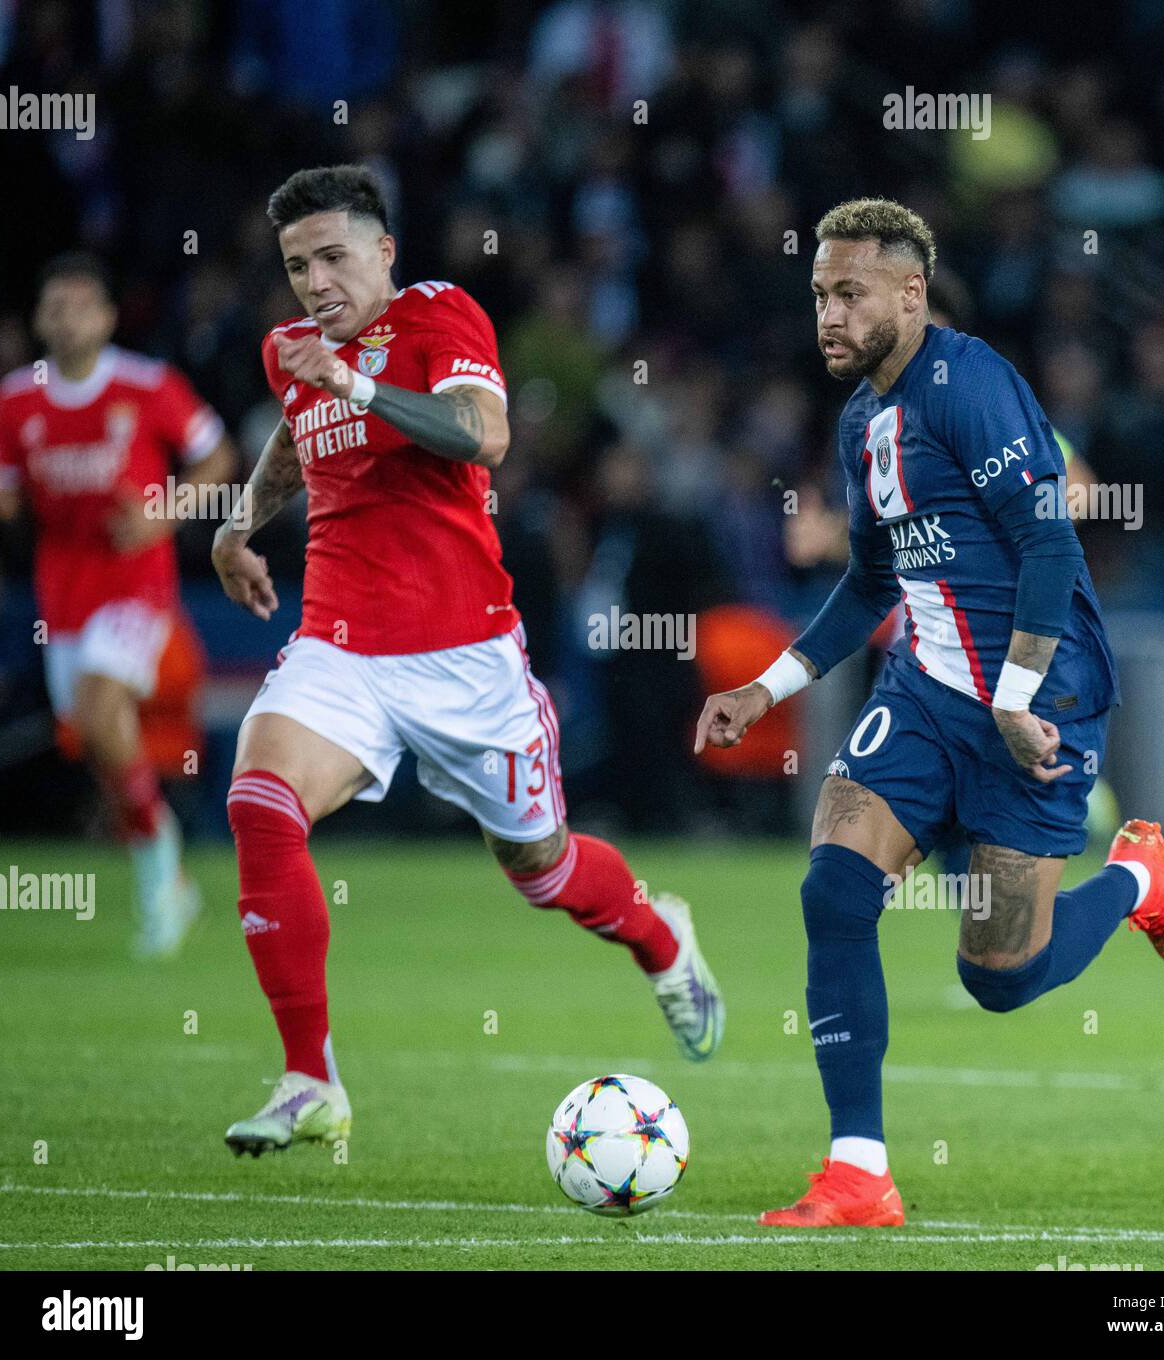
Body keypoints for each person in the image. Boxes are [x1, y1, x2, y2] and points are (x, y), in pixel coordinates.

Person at [694, 198, 1164, 1228]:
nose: (828, 316)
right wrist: (768, 685)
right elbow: (872, 584)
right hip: (923, 696)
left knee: (998, 980)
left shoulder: (970, 385)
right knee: (833, 891)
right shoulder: (857, 421)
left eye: (850, 294)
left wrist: (1014, 698)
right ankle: (858, 1170)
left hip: (1041, 696)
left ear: (910, 293)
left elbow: (1051, 545)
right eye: (819, 296)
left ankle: (1136, 874)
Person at [211, 165, 724, 1157]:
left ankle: (662, 940)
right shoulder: (293, 353)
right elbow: (299, 432)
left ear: (384, 252)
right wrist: (240, 525)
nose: (314, 281)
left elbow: (482, 436)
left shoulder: (439, 316)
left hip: (466, 658)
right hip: (340, 647)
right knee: (258, 802)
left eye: (333, 257)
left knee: (542, 869)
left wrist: (357, 381)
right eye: (295, 265)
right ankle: (309, 1075)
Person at [0, 252, 235, 956]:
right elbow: (6, 494)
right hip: (62, 594)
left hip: (135, 586)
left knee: (102, 708)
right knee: (99, 743)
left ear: (104, 317)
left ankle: (161, 868)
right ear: (40, 318)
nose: (66, 319)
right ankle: (166, 873)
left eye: (80, 306)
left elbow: (216, 457)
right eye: (54, 306)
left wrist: (164, 512)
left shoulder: (147, 384)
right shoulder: (15, 399)